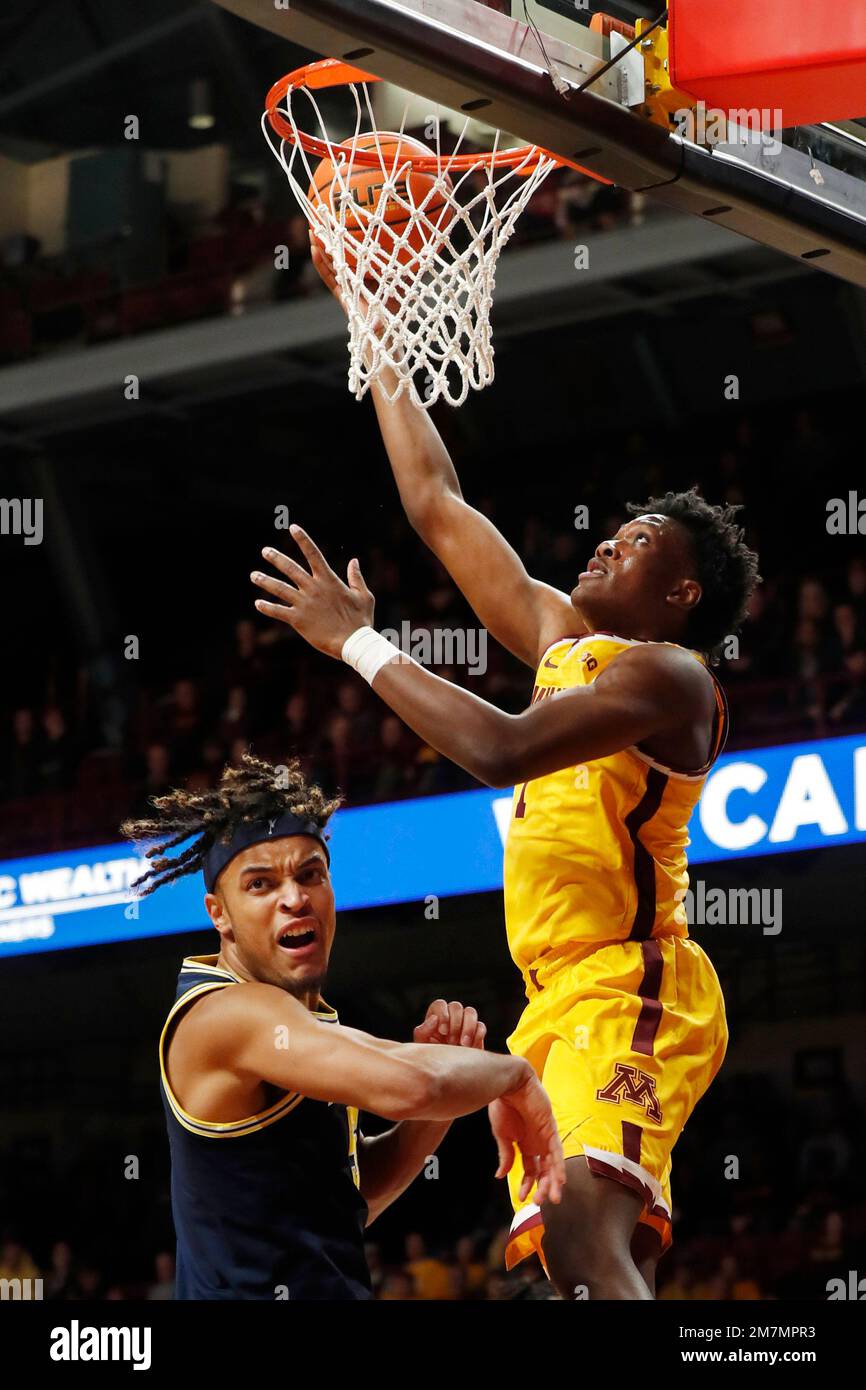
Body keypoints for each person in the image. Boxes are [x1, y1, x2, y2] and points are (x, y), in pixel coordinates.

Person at [248, 233, 761, 1300]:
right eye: (614, 531)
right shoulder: (567, 640)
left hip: (632, 981)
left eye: (636, 544)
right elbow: (436, 504)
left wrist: (357, 642)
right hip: (553, 998)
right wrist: (377, 326)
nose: (607, 544)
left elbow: (498, 747)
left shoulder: (669, 678)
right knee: (572, 1266)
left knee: (580, 1237)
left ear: (680, 597)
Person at [121, 754, 563, 1301]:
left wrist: (443, 1096)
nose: (294, 897)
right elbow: (407, 1085)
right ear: (220, 914)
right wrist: (512, 1076)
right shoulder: (224, 1015)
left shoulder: (306, 1021)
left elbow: (356, 1197)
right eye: (260, 885)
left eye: (310, 875)